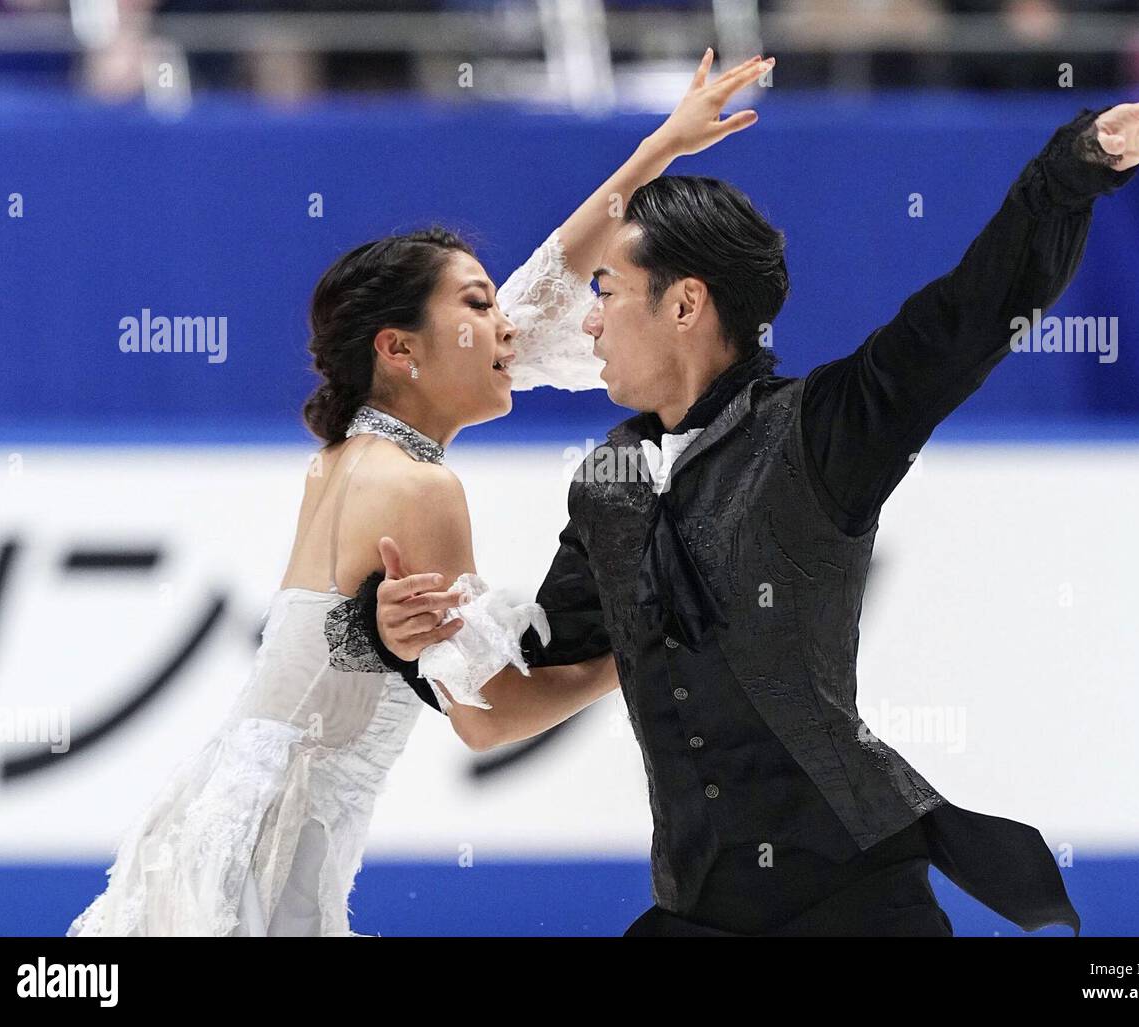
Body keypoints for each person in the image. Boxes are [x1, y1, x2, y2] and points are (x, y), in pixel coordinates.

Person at [362, 93, 1139, 936]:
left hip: (856, 905)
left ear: (685, 304)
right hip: (697, 912)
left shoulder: (821, 431)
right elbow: (533, 676)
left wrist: (1070, 171)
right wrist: (412, 642)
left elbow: (969, 315)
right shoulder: (607, 484)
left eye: (608, 290)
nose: (584, 321)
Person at [65, 49, 773, 937]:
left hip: (222, 829)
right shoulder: (417, 486)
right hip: (269, 859)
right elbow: (487, 714)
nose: (508, 324)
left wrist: (658, 150)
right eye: (477, 308)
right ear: (398, 350)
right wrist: (644, 653)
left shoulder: (353, 452)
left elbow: (538, 291)